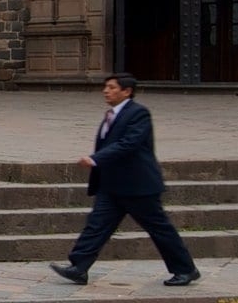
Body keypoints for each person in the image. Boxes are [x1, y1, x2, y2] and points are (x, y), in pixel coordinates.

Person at [50, 73, 199, 288]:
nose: (106, 91)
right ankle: (79, 267)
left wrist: (95, 159)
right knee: (96, 226)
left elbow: (129, 144)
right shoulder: (111, 114)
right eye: (106, 87)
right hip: (112, 185)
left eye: (111, 87)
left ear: (126, 91)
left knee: (160, 229)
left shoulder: (138, 114)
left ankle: (185, 270)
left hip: (138, 186)